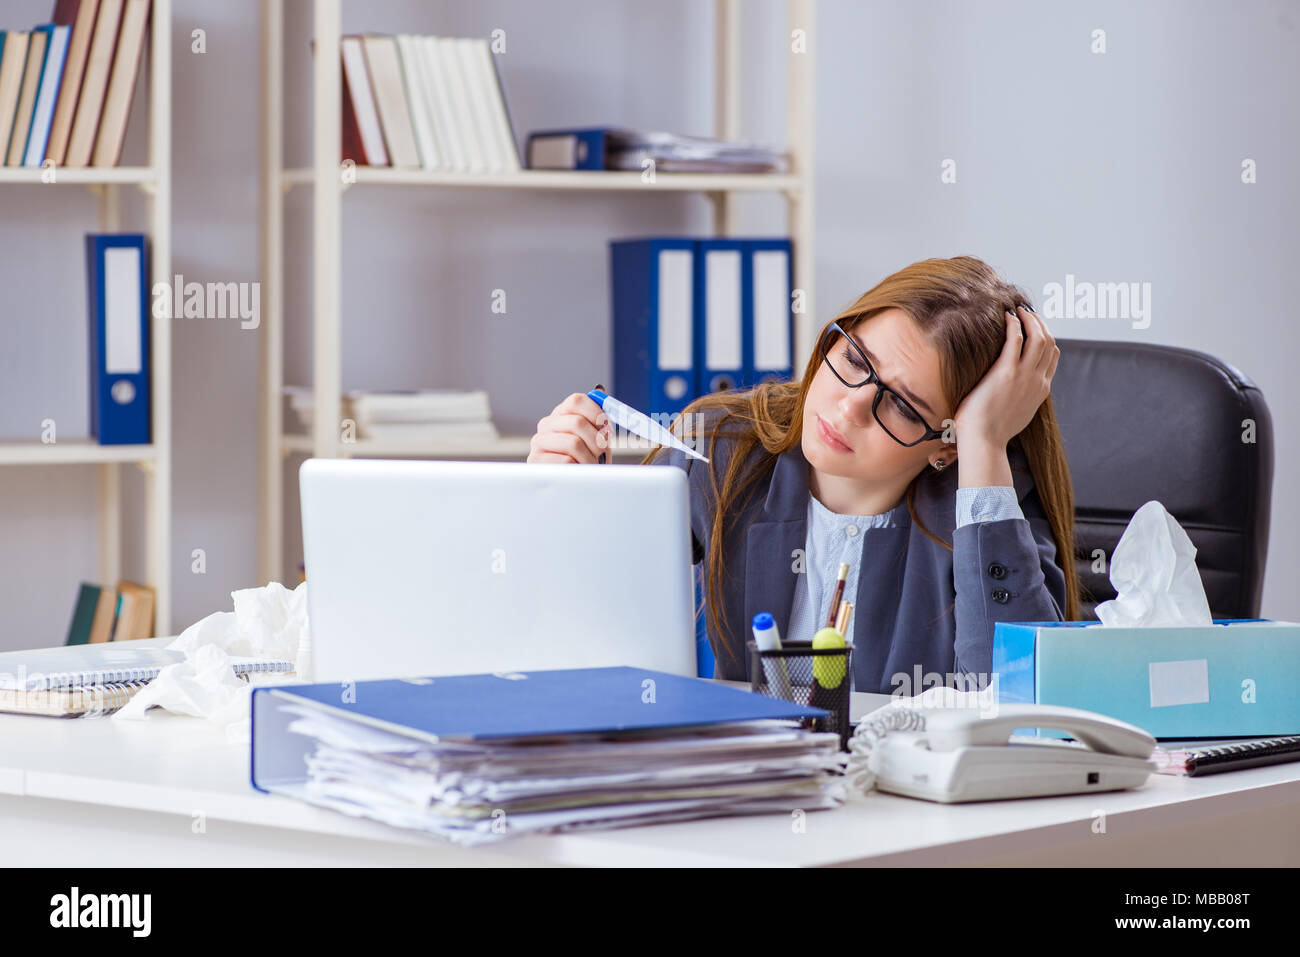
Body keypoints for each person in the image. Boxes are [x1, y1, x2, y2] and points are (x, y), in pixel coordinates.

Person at [528, 256, 1078, 694]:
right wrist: (565, 504)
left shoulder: (986, 500)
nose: (849, 407)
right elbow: (590, 636)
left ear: (947, 446)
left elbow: (1019, 701)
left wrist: (984, 444)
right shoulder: (722, 450)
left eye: (903, 406)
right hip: (746, 781)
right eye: (856, 361)